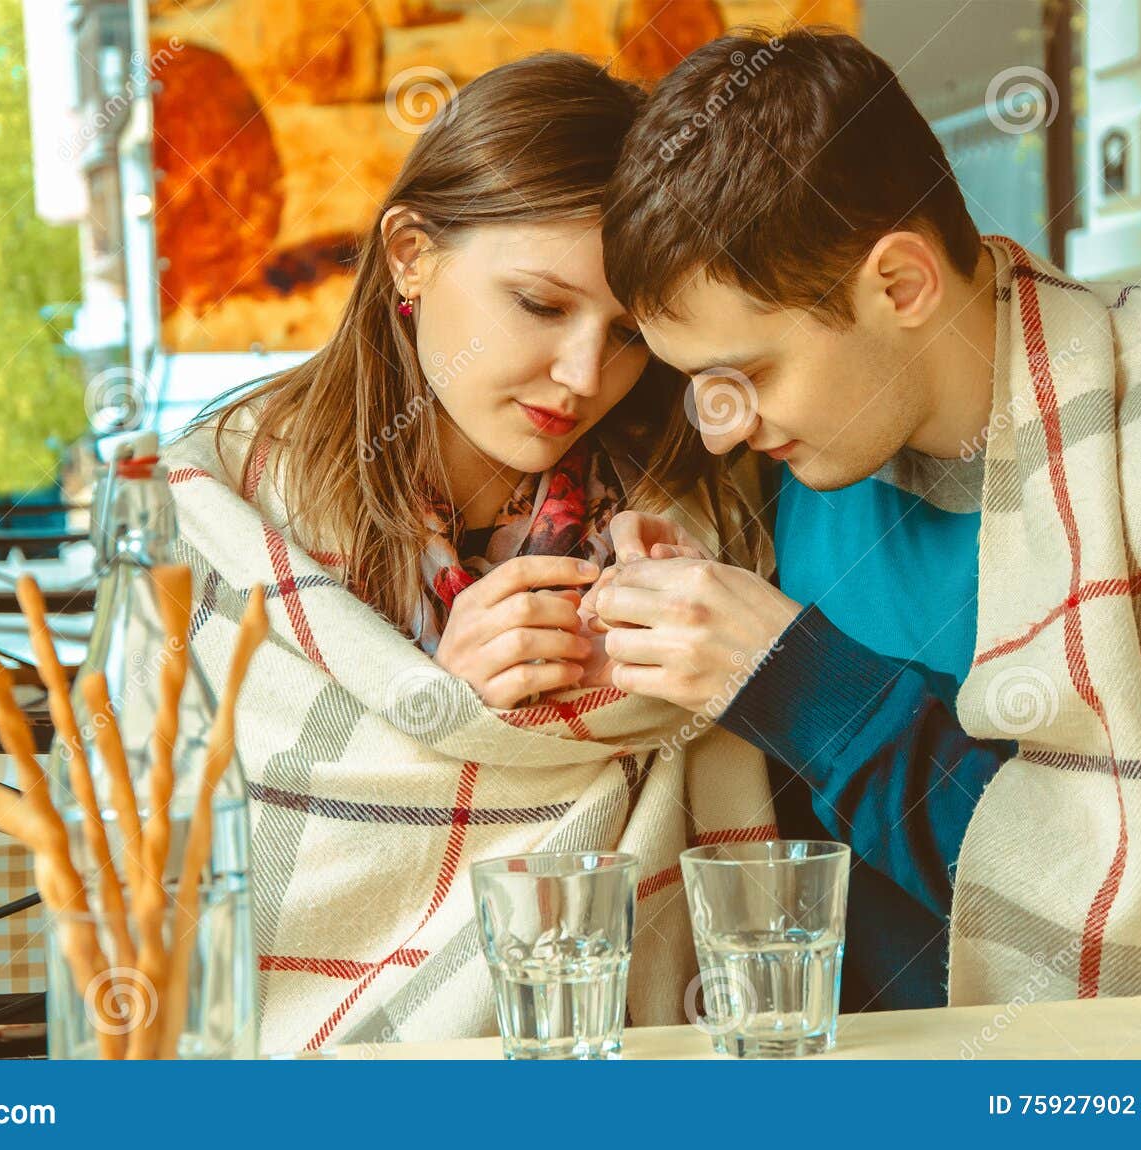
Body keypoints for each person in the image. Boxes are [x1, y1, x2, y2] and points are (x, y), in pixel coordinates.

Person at [593, 26, 1141, 1011]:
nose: (718, 433)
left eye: (748, 374)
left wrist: (805, 686)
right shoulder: (781, 482)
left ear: (899, 284)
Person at [162, 52, 776, 1054]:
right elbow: (171, 849)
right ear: (410, 252)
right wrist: (439, 709)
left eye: (627, 334)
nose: (582, 375)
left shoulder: (695, 507)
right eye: (539, 303)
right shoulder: (217, 502)